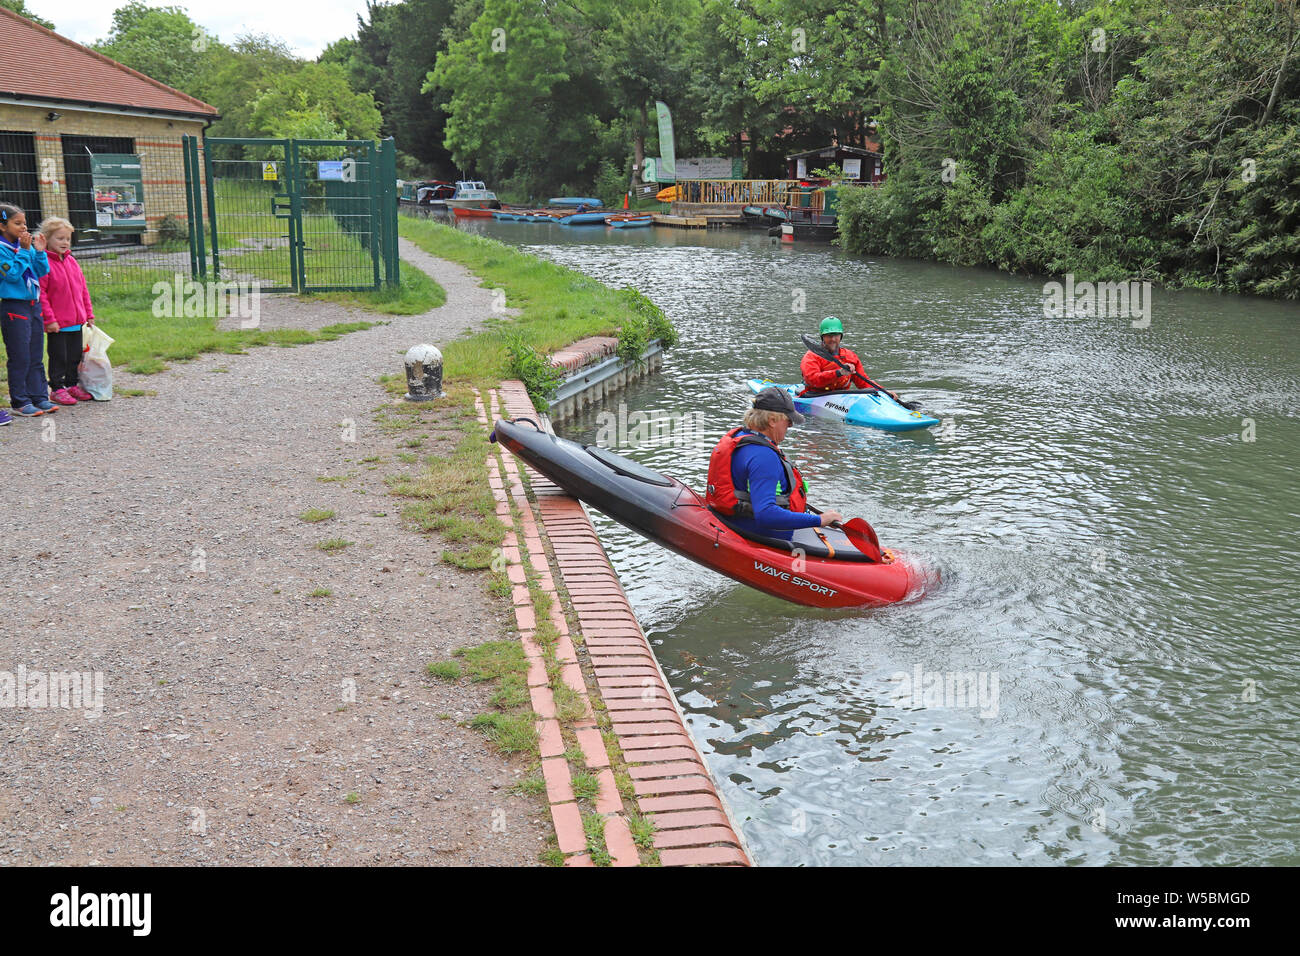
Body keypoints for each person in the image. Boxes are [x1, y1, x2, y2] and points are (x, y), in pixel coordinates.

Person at [706, 386, 843, 540]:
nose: (790, 425)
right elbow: (766, 514)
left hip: (731, 520)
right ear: (772, 420)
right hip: (761, 534)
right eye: (788, 420)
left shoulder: (740, 437)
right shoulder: (764, 457)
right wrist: (820, 520)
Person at [0, 202, 52, 419]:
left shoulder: (25, 246)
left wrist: (39, 252)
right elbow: (11, 274)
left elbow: (41, 271)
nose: (23, 227)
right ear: (3, 226)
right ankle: (20, 401)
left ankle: (39, 396)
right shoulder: (4, 249)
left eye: (25, 223)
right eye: (17, 223)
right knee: (20, 356)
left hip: (33, 304)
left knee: (35, 354)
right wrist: (23, 251)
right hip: (14, 306)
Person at [38, 217, 96, 405]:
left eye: (67, 239)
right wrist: (50, 320)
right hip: (58, 324)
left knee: (74, 356)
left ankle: (71, 384)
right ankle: (56, 388)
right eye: (59, 238)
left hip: (76, 321)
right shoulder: (44, 263)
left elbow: (83, 290)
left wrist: (88, 314)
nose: (65, 242)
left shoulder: (72, 262)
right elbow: (42, 295)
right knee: (58, 357)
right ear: (47, 239)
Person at [799, 315, 910, 404]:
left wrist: (883, 392)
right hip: (815, 396)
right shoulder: (811, 357)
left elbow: (863, 382)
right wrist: (838, 373)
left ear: (841, 336)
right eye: (829, 335)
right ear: (822, 337)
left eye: (836, 335)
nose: (833, 339)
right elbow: (812, 380)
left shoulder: (850, 356)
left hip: (842, 398)